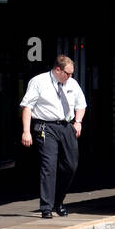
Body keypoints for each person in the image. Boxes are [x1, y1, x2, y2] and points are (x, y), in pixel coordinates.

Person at [20, 55, 87, 218]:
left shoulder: (72, 84)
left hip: (66, 126)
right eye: (68, 73)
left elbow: (81, 104)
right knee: (49, 166)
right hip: (46, 126)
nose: (70, 77)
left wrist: (78, 122)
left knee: (71, 166)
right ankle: (46, 207)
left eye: (72, 74)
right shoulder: (39, 81)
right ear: (58, 70)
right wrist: (26, 131)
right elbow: (27, 106)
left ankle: (58, 201)